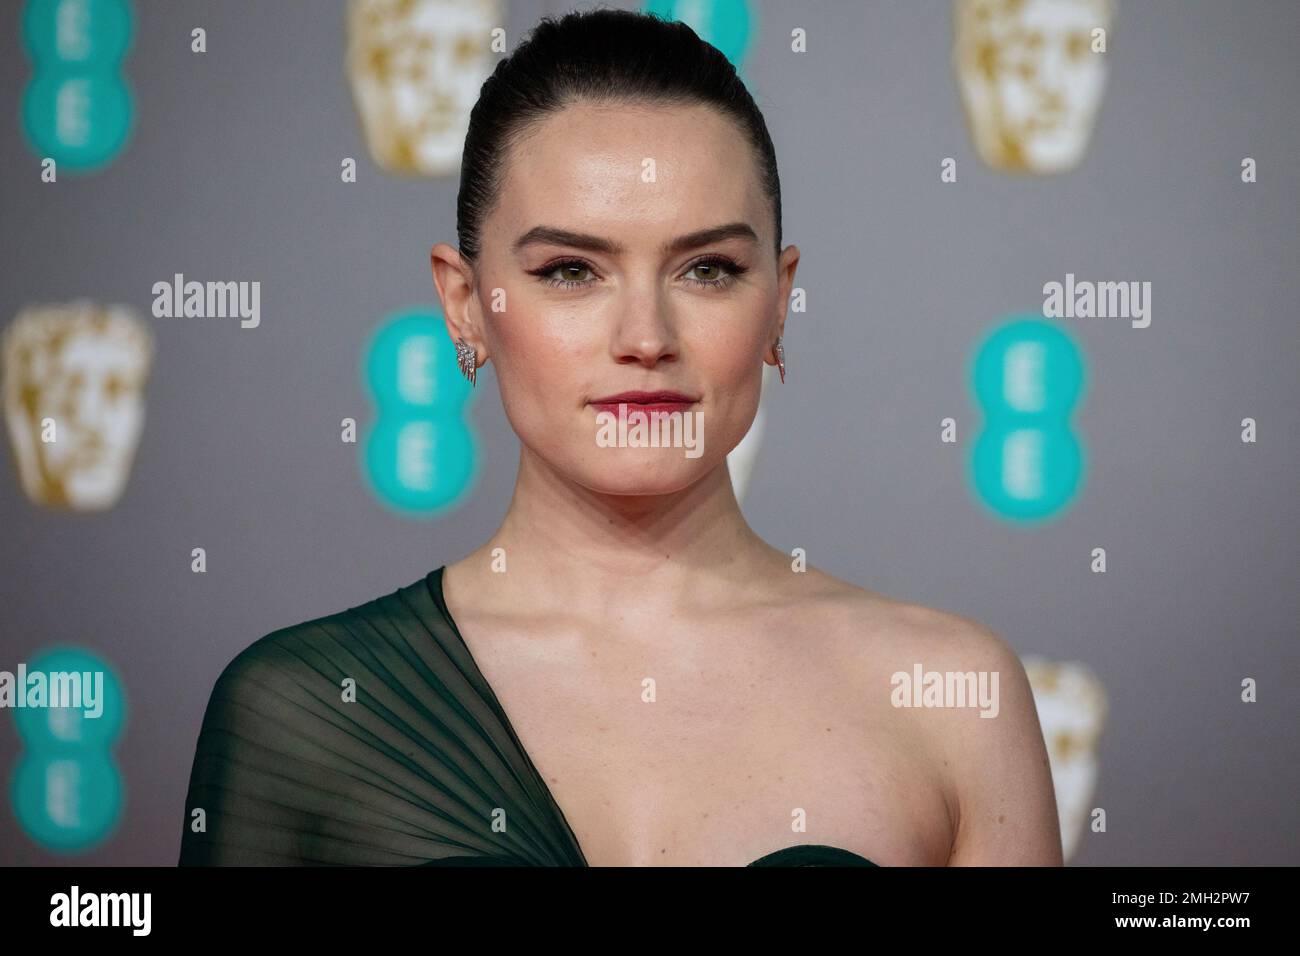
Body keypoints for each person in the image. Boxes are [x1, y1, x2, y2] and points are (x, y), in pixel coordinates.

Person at [178, 7, 1061, 867]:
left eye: (708, 269)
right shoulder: (306, 709)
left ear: (781, 300)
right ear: (465, 304)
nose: (646, 334)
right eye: (571, 271)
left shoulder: (951, 698)